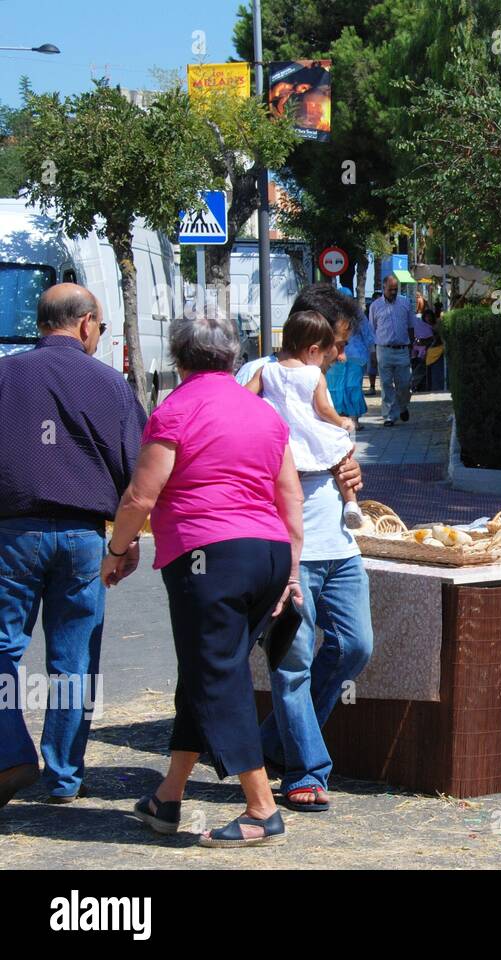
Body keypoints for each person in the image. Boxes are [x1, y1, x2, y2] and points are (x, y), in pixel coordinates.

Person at [104, 314, 304, 848]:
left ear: (180, 359)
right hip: (268, 553)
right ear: (233, 358)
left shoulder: (175, 410)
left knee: (217, 673)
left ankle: (261, 808)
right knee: (207, 666)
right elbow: (290, 497)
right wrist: (292, 570)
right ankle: (168, 795)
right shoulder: (262, 412)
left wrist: (117, 550)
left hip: (207, 554)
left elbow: (140, 497)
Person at [0, 284, 147, 809]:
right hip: (85, 536)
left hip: (10, 532)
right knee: (74, 659)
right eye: (101, 328)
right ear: (85, 323)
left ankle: (9, 751)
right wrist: (125, 542)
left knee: (1, 648)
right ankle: (62, 774)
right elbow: (139, 473)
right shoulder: (110, 384)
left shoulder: (4, 374)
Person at [236, 283, 373, 814]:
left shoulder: (316, 378)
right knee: (290, 665)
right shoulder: (258, 375)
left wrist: (354, 466)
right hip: (284, 551)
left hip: (339, 544)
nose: (341, 354)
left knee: (355, 646)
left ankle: (274, 741)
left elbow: (337, 443)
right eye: (337, 342)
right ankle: (306, 771)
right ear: (313, 332)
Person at [245, 310, 364, 530]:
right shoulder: (313, 375)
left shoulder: (266, 371)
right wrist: (341, 422)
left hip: (281, 440)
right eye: (324, 354)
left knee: (289, 479)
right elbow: (324, 409)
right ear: (313, 351)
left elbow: (242, 397)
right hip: (310, 434)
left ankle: (286, 508)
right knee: (341, 457)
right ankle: (351, 504)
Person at [368, 274, 416, 426]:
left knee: (405, 384)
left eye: (395, 289)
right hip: (384, 349)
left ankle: (402, 406)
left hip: (402, 349)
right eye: (390, 289)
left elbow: (410, 326)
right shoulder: (375, 306)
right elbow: (371, 330)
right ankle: (389, 416)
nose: (393, 292)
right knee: (386, 384)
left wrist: (411, 345)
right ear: (384, 288)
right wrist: (373, 352)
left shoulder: (405, 303)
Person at [325, 287, 373, 430]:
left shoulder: (356, 315)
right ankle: (341, 418)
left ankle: (352, 419)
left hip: (352, 356)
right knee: (338, 386)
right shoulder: (331, 314)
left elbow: (367, 334)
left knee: (349, 386)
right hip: (337, 354)